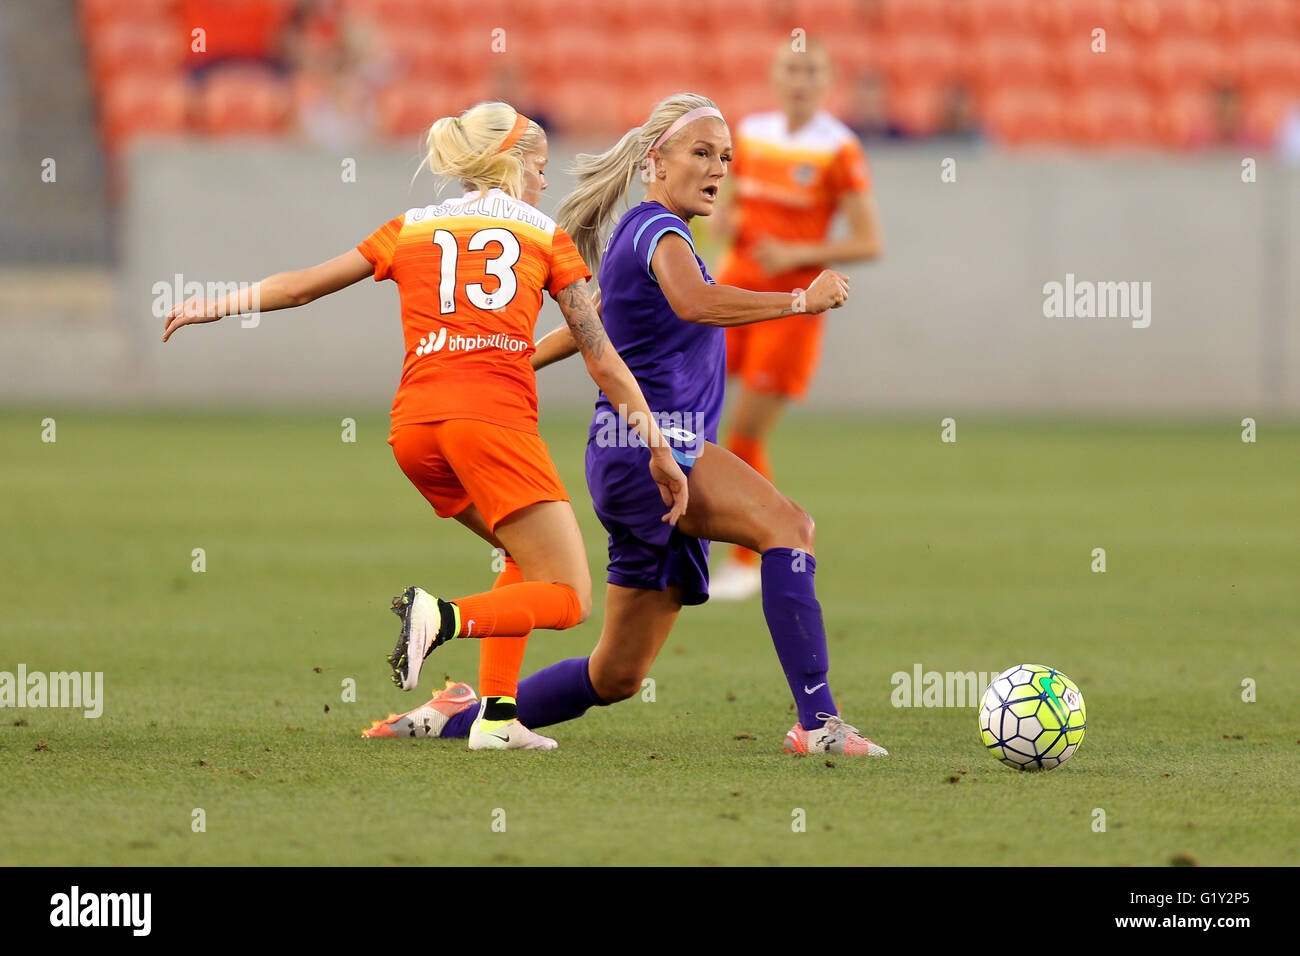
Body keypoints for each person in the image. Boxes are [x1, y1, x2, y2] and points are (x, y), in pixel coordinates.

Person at [161, 101, 687, 751]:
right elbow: (602, 359)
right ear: (514, 163)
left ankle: (496, 721)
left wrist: (218, 303)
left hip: (414, 431)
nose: (545, 183)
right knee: (569, 593)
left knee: (524, 556)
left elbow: (302, 288)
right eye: (541, 169)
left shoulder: (409, 227)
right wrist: (658, 447)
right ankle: (440, 618)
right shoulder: (540, 235)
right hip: (491, 424)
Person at [373, 93, 888, 757]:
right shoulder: (658, 233)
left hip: (625, 460)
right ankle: (818, 724)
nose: (718, 168)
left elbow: (593, 329)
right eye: (701, 152)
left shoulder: (641, 236)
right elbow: (695, 303)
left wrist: (513, 360)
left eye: (725, 157)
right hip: (655, 451)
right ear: (655, 162)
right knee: (789, 528)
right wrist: (799, 297)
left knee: (616, 675)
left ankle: (460, 713)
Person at [709, 38, 884, 600]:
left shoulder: (839, 148)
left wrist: (793, 257)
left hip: (793, 306)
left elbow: (868, 241)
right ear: (775, 75)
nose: (800, 79)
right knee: (687, 413)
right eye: (791, 68)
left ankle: (752, 555)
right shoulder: (752, 132)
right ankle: (688, 538)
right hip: (733, 291)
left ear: (827, 78)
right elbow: (731, 198)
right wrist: (725, 216)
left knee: (744, 432)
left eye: (811, 69)